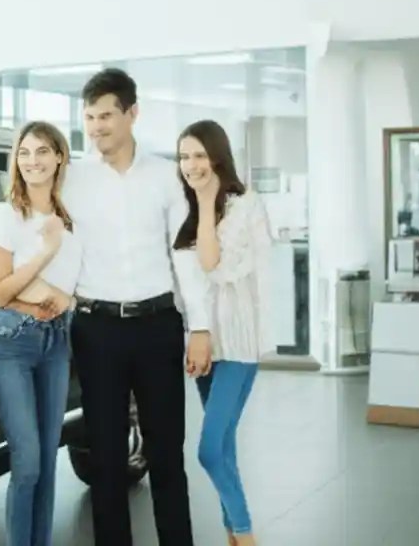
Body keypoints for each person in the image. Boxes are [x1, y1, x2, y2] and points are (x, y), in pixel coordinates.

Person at [60, 67, 206, 546]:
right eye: (89, 116)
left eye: (106, 115)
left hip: (157, 326)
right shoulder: (73, 180)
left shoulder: (166, 177)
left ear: (132, 114)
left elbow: (185, 256)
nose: (97, 126)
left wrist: (199, 327)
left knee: (166, 455)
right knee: (104, 459)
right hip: (95, 329)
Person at [172, 119, 272, 546]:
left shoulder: (245, 205)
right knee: (224, 448)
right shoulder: (186, 207)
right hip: (204, 341)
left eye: (198, 155)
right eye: (183, 157)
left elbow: (214, 264)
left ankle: (246, 535)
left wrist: (208, 197)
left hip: (238, 343)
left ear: (217, 156)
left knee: (209, 449)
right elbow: (185, 282)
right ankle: (233, 536)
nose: (190, 165)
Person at [0, 121, 83, 546]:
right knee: (26, 465)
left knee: (46, 463)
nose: (32, 161)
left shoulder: (70, 218)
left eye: (42, 151)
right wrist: (45, 252)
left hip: (57, 342)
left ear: (59, 157)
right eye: (24, 153)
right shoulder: (7, 215)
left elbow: (75, 291)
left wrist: (61, 297)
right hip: (13, 343)